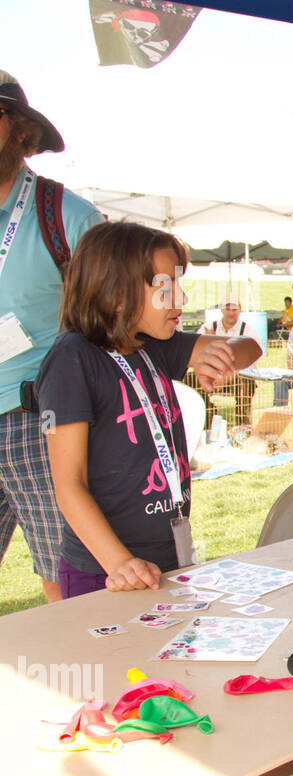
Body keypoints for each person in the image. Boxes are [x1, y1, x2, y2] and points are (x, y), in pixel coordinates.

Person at [36, 222, 261, 597]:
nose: (182, 299)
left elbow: (251, 346)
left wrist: (222, 356)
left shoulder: (153, 344)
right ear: (117, 293)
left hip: (168, 563)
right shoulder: (72, 360)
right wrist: (118, 562)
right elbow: (68, 484)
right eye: (166, 287)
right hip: (104, 573)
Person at [0, 70, 103, 604]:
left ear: (21, 133)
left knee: (63, 573)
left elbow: (113, 321)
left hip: (40, 424)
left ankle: (78, 686)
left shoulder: (67, 215)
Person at [187, 298, 258, 428]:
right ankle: (208, 420)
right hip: (211, 375)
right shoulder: (208, 328)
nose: (231, 313)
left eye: (234, 309)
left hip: (236, 376)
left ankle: (242, 426)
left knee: (247, 382)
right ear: (221, 309)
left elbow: (251, 362)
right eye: (227, 309)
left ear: (240, 310)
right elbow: (195, 356)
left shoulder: (248, 330)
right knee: (189, 379)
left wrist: (226, 376)